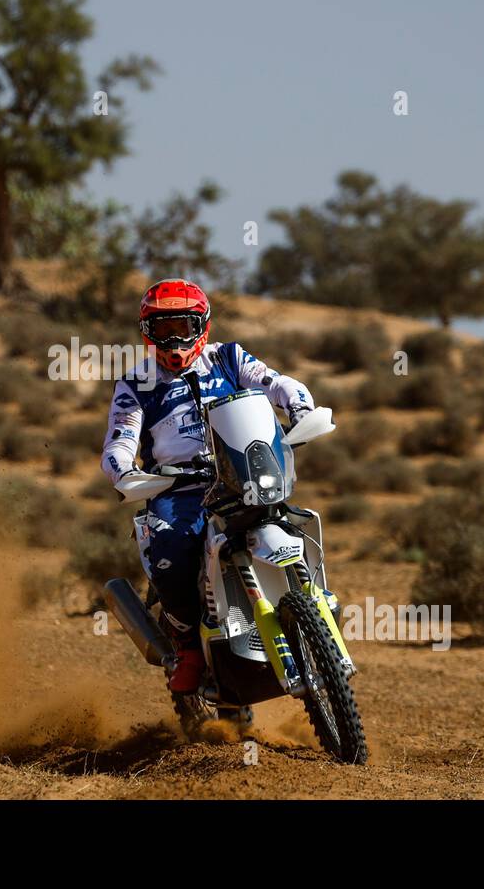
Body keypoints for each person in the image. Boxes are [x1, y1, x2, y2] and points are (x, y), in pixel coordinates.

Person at [100, 278, 316, 693]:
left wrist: (299, 407)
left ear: (203, 326)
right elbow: (121, 435)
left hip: (240, 473)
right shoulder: (137, 382)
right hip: (176, 489)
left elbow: (273, 382)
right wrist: (123, 470)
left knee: (292, 523)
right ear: (147, 332)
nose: (174, 338)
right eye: (162, 329)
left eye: (183, 326)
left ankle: (305, 613)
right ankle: (187, 648)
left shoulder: (230, 359)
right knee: (173, 548)